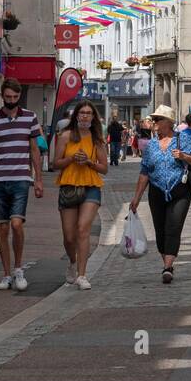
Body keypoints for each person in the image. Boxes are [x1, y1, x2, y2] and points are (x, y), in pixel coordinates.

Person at [0, 78, 44, 292]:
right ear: (2, 96)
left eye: (15, 97)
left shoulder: (30, 118)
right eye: (8, 97)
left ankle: (18, 268)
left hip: (21, 179)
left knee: (16, 223)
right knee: (1, 229)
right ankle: (6, 274)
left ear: (19, 96)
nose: (11, 101)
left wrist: (38, 179)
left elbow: (34, 149)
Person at [129, 105, 191, 283]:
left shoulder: (183, 139)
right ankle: (166, 262)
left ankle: (167, 267)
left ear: (168, 122)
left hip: (180, 191)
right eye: (153, 120)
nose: (153, 123)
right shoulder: (151, 145)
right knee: (160, 229)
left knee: (173, 227)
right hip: (157, 191)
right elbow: (144, 172)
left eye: (157, 119)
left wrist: (184, 156)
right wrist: (136, 198)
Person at [53, 99, 108, 288]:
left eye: (89, 113)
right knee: (69, 237)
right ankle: (72, 262)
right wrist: (70, 158)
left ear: (93, 117)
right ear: (76, 115)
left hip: (91, 187)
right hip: (68, 186)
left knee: (83, 230)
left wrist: (89, 162)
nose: (85, 116)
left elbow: (104, 168)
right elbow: (55, 164)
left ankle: (82, 275)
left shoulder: (96, 140)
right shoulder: (66, 136)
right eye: (82, 112)